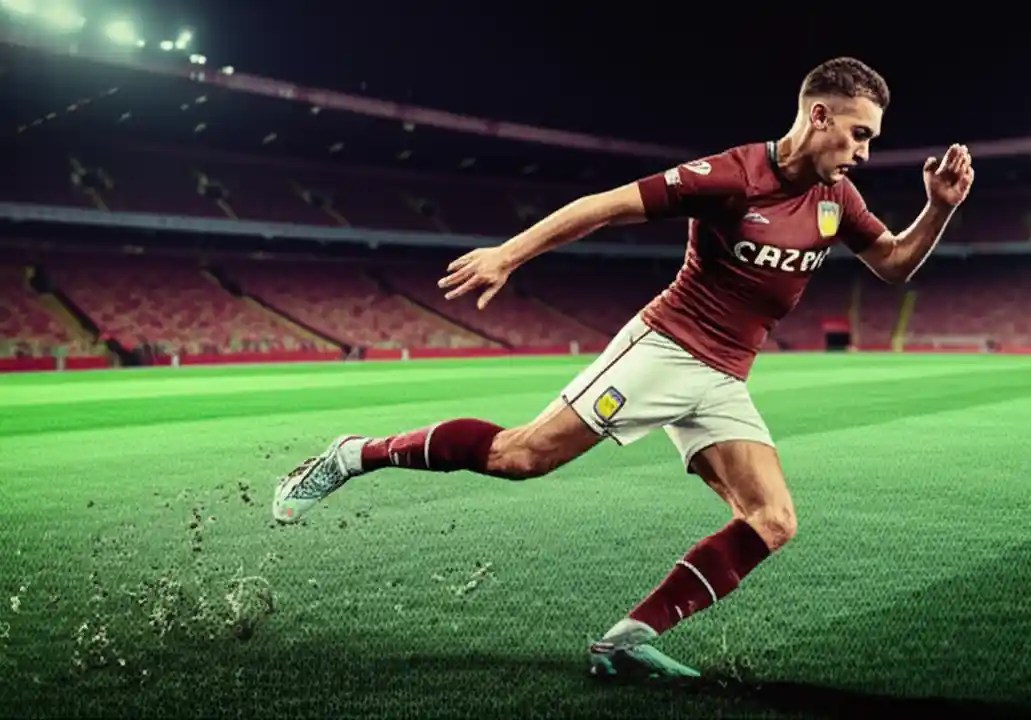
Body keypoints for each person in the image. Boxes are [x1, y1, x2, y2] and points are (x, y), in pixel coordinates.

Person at [272, 56, 974, 678]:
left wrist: (936, 210)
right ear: (819, 115)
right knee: (521, 457)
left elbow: (893, 264)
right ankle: (352, 455)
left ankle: (626, 641)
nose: (865, 151)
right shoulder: (733, 176)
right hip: (665, 351)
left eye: (871, 139)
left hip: (726, 376)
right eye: (859, 133)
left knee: (772, 519)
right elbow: (601, 208)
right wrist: (508, 255)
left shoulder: (837, 200)